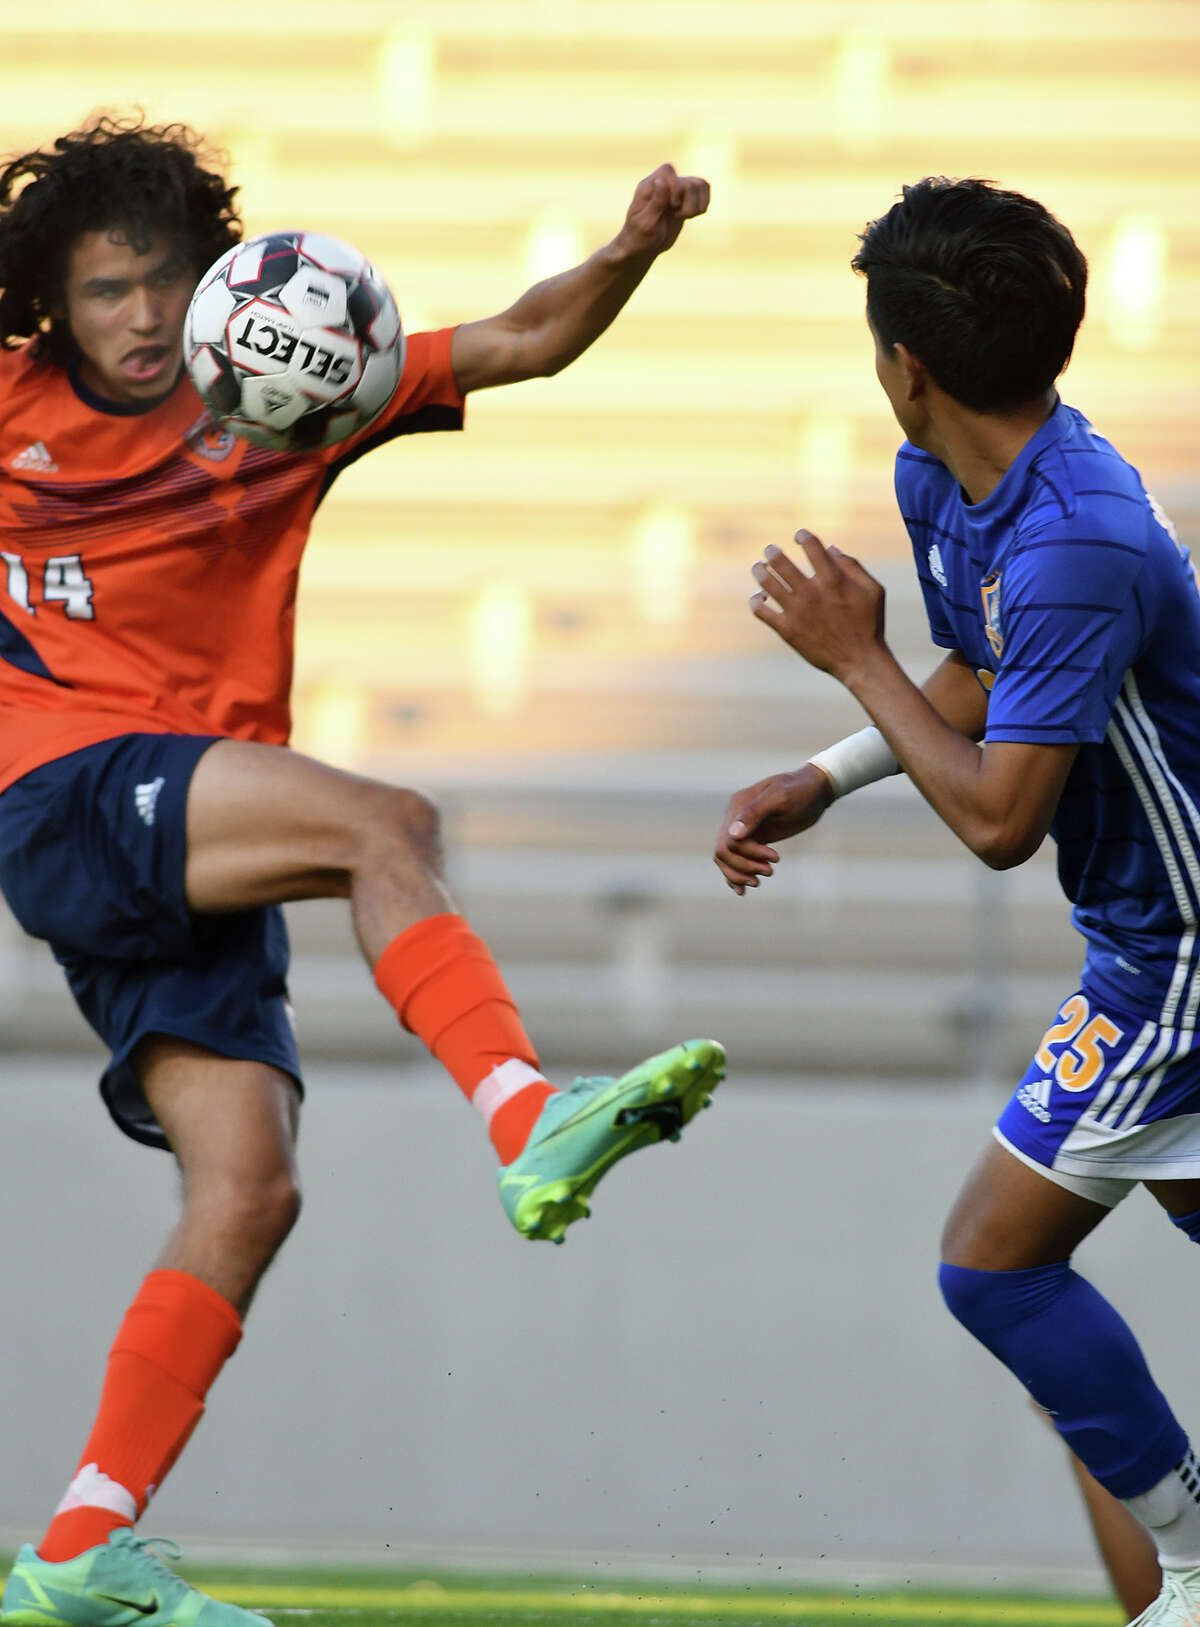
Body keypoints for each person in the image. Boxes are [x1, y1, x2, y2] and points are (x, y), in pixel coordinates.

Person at [0, 115, 723, 1625]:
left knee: (249, 1190)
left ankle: (75, 1549)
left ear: (208, 283)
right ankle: (528, 1115)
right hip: (63, 794)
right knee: (388, 824)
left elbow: (525, 338)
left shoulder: (282, 396)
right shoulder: (4, 410)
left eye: (159, 283)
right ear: (51, 303)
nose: (137, 316)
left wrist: (633, 251)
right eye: (103, 291)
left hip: (194, 838)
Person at [713, 176, 1200, 1627]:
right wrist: (828, 772)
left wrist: (854, 660)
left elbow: (997, 817)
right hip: (1147, 944)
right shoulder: (955, 486)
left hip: (1179, 956)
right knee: (1033, 1289)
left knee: (994, 1268)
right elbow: (982, 682)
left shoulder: (1080, 539)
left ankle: (1187, 1563)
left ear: (905, 362)